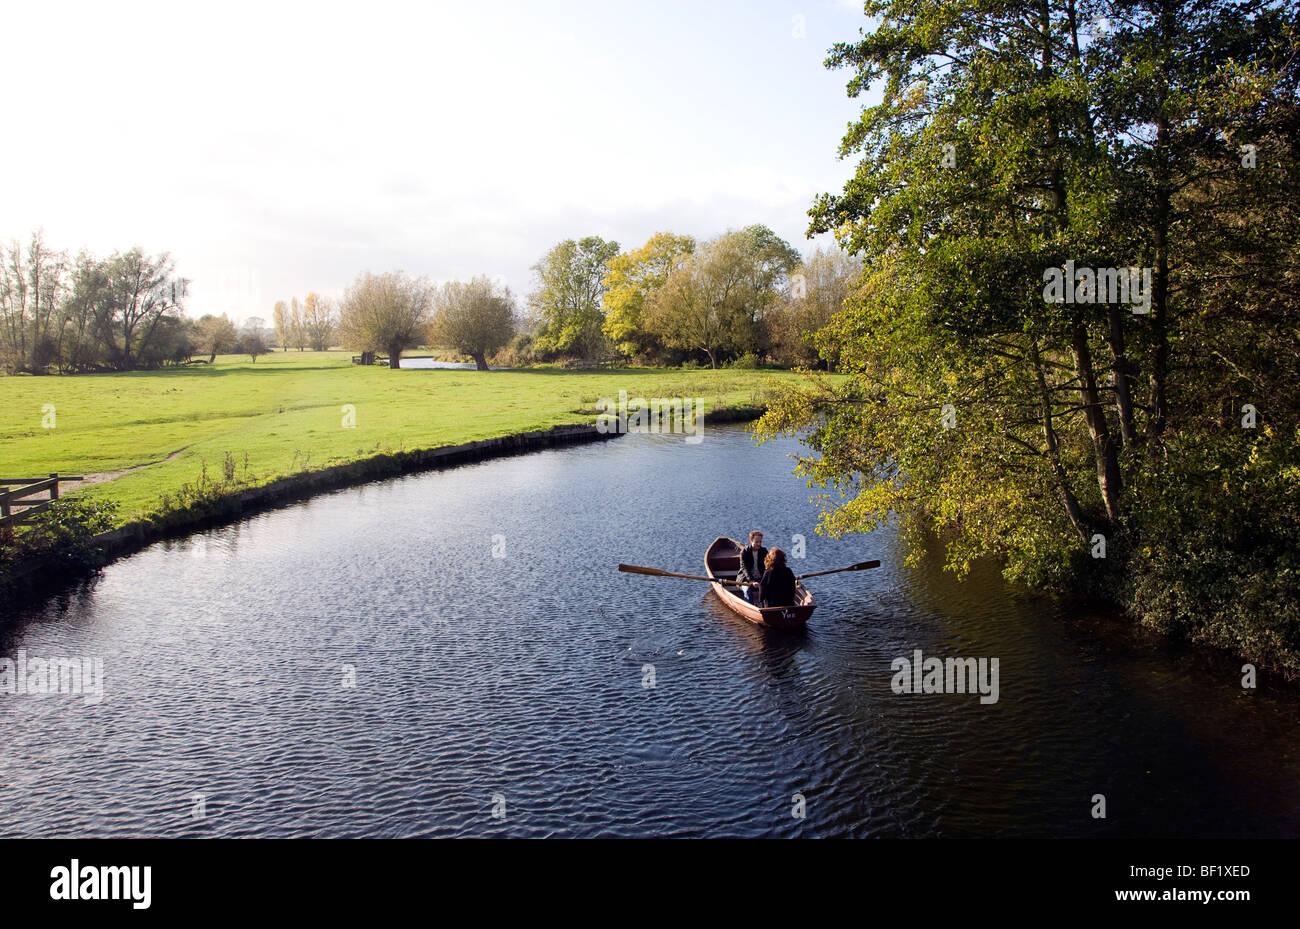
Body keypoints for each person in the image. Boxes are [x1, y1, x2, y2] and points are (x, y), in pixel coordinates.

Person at [736, 530, 768, 605]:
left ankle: (766, 606)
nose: (759, 544)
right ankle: (751, 607)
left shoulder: (764, 551)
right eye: (757, 542)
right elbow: (744, 569)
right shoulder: (744, 552)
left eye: (760, 542)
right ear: (751, 540)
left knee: (769, 587)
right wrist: (752, 581)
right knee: (747, 590)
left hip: (760, 578)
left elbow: (768, 567)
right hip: (745, 579)